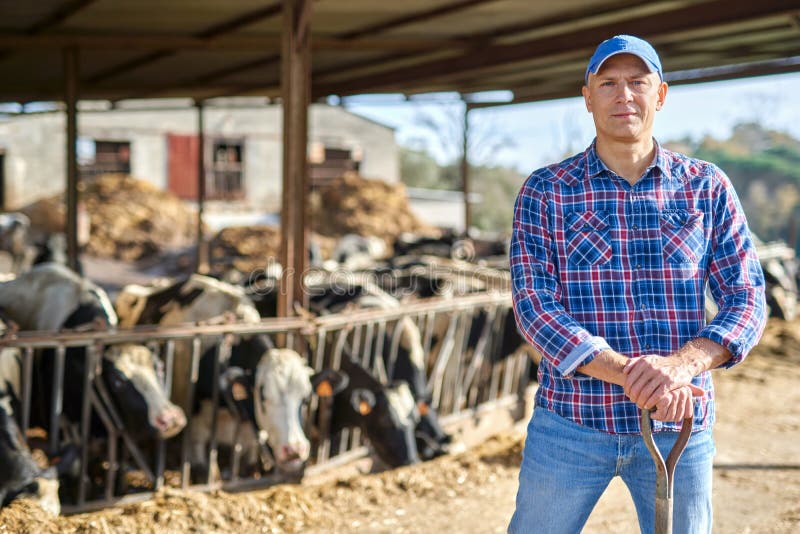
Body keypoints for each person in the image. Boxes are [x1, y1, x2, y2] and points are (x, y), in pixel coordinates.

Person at [507, 34, 766, 533]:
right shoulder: (547, 191)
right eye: (608, 83)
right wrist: (632, 374)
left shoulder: (705, 186)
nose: (623, 95)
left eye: (637, 82)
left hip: (680, 425)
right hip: (571, 424)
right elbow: (535, 306)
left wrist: (680, 366)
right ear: (587, 97)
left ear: (661, 94)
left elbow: (747, 296)